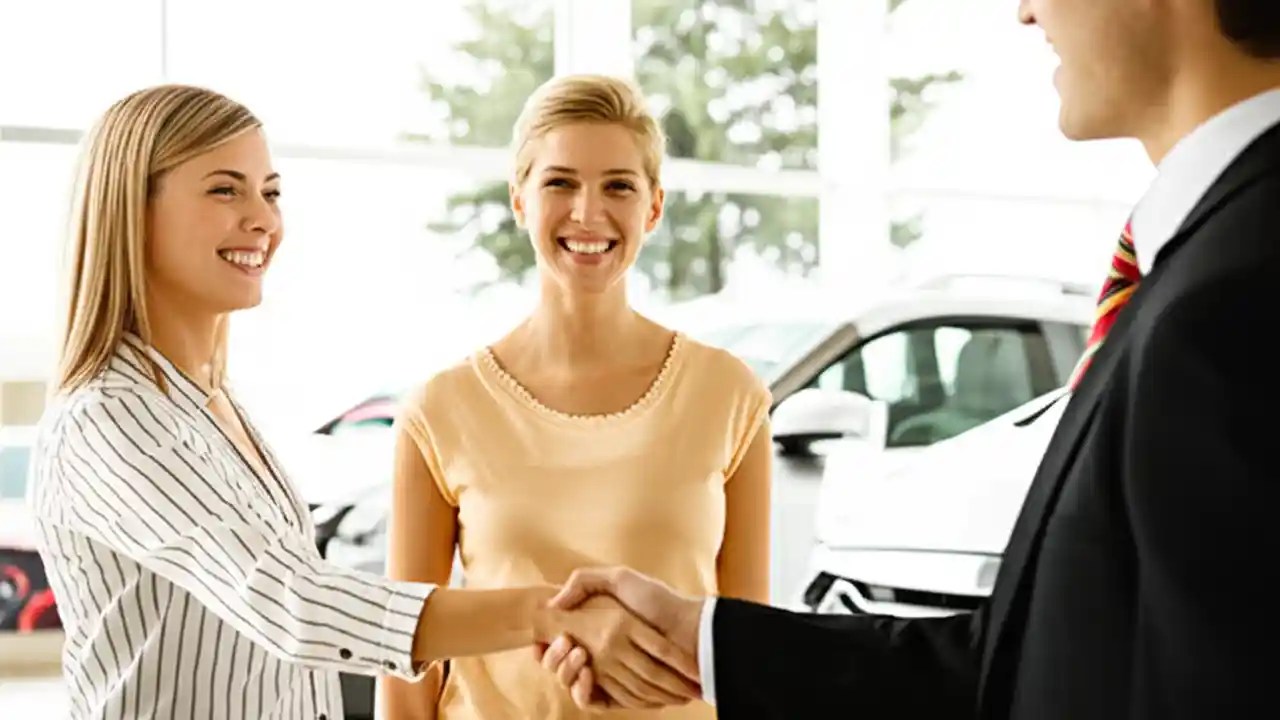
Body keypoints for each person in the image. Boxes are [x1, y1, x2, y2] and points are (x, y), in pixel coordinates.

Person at [540, 0, 1280, 717]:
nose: (1026, 11)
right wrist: (703, 644)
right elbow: (1037, 663)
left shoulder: (1236, 295)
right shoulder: (1198, 266)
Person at [26, 83, 696, 720]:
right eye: (225, 190)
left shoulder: (209, 404)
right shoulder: (108, 422)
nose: (263, 220)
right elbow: (297, 606)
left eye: (271, 192)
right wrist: (548, 613)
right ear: (130, 209)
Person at [379, 73, 773, 719]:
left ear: (653, 207)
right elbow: (405, 656)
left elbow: (749, 648)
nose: (588, 213)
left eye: (618, 185)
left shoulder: (728, 394)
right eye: (560, 182)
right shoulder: (440, 410)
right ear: (519, 200)